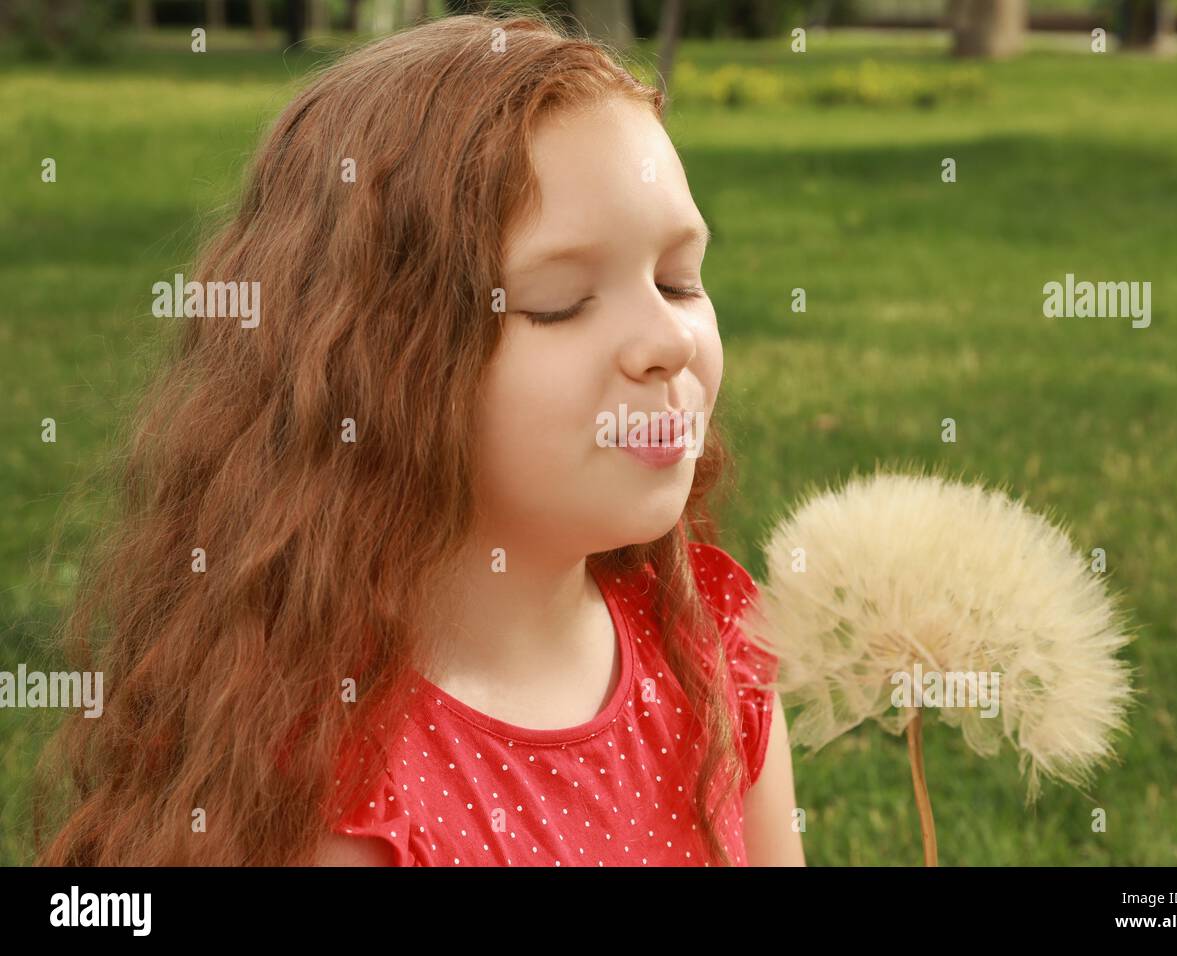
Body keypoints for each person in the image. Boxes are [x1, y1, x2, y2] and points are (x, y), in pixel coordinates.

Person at [35, 12, 802, 868]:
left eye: (677, 281)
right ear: (381, 366)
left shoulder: (714, 653)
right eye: (558, 302)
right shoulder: (337, 788)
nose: (666, 340)